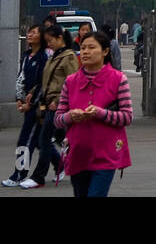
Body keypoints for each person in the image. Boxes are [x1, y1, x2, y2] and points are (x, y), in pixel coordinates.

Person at [53, 30, 132, 197]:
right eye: (83, 48)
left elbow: (127, 116)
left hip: (106, 154)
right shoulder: (70, 81)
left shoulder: (118, 79)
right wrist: (70, 116)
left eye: (91, 47)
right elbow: (58, 119)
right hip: (78, 153)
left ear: (105, 51)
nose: (86, 52)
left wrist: (99, 113)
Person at [20, 25, 80, 188]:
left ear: (60, 38)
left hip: (58, 105)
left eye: (50, 40)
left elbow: (73, 82)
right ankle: (66, 165)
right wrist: (34, 91)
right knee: (50, 139)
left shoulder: (68, 57)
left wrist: (60, 99)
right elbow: (45, 79)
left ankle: (39, 176)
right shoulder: (54, 56)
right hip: (48, 104)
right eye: (47, 41)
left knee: (44, 139)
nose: (49, 44)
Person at [3, 24, 48, 186]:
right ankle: (61, 163)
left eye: (34, 33)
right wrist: (19, 98)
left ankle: (19, 174)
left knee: (25, 141)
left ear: (41, 37)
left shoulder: (43, 58)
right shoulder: (27, 55)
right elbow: (21, 77)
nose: (29, 35)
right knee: (39, 142)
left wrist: (31, 103)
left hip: (38, 108)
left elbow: (43, 84)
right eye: (29, 32)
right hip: (27, 105)